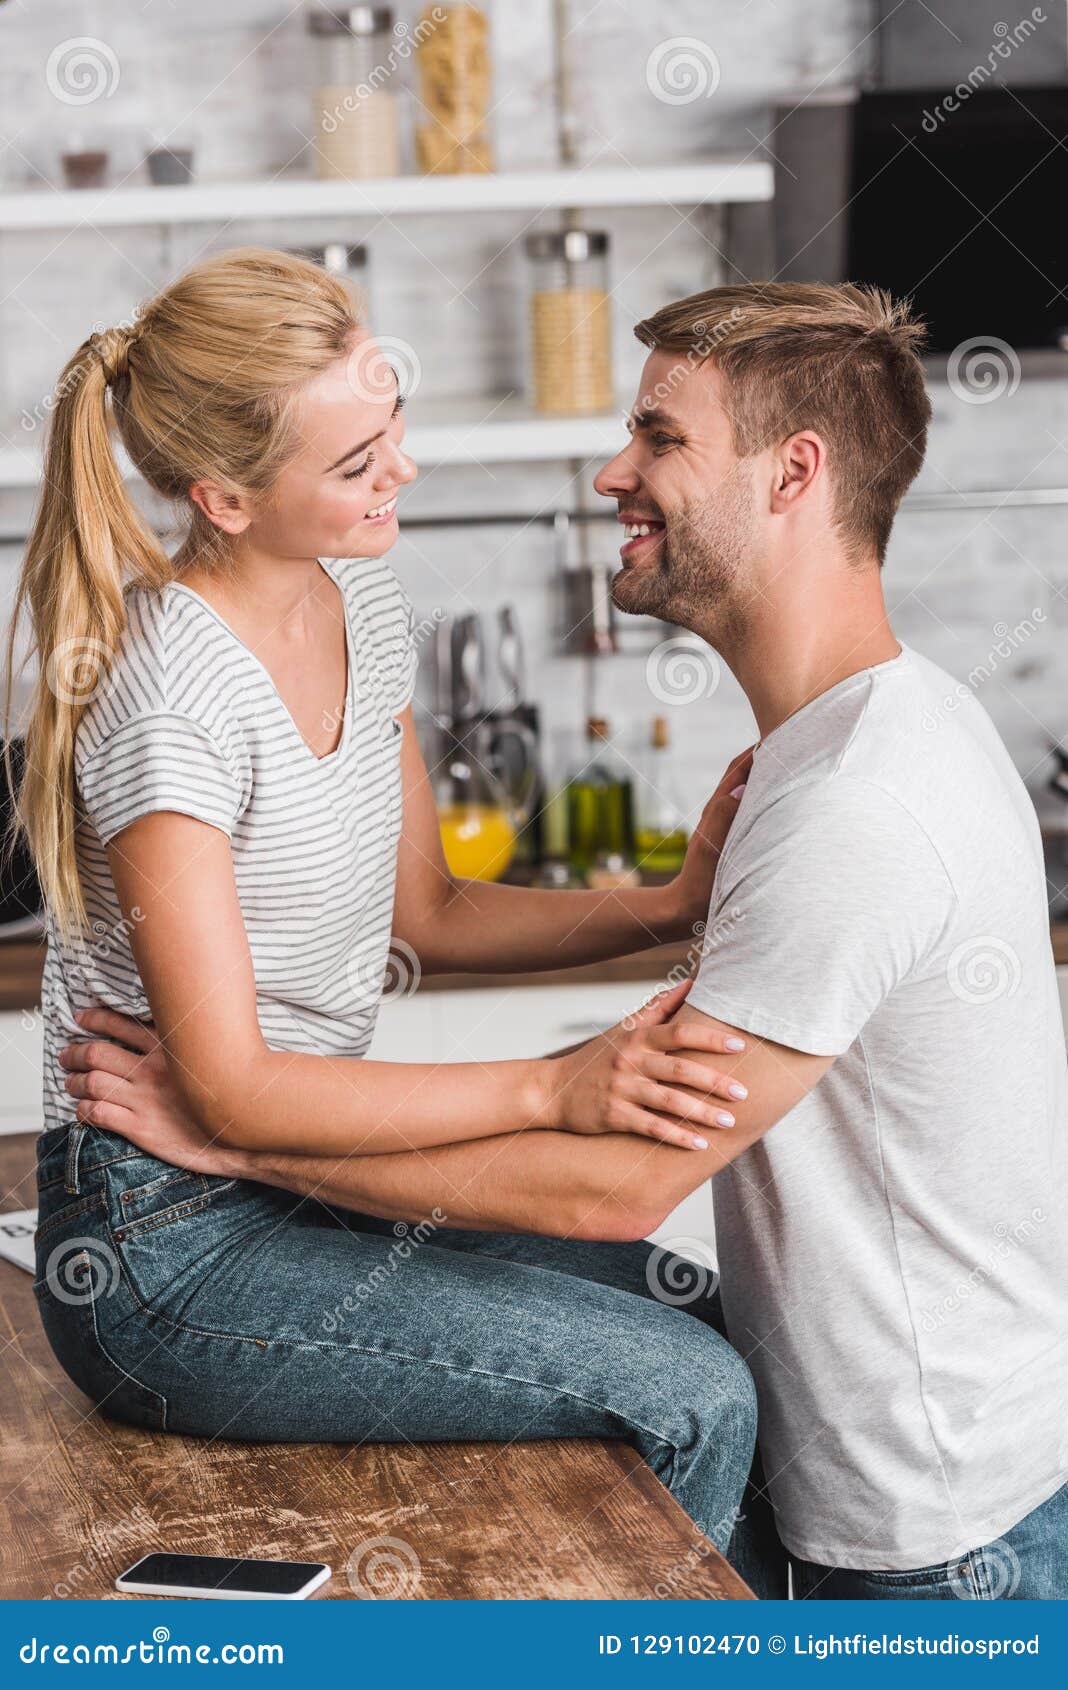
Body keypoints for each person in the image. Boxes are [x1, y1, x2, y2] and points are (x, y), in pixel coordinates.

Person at [66, 279, 1068, 1601]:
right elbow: (418, 961)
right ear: (230, 495)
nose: (612, 472)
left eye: (658, 437)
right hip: (188, 1206)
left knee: (690, 1371)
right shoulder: (859, 743)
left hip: (935, 1520)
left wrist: (245, 1137)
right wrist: (659, 916)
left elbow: (612, 1178)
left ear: (793, 474)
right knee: (693, 1376)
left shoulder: (852, 803)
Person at [7, 247, 759, 1552]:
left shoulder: (358, 590)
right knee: (692, 1393)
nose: (399, 470)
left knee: (706, 1309)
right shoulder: (169, 693)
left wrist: (672, 899)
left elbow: (432, 911)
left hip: (305, 1177)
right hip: (160, 1247)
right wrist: (553, 1087)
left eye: (391, 417)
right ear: (225, 496)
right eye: (355, 462)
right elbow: (229, 1086)